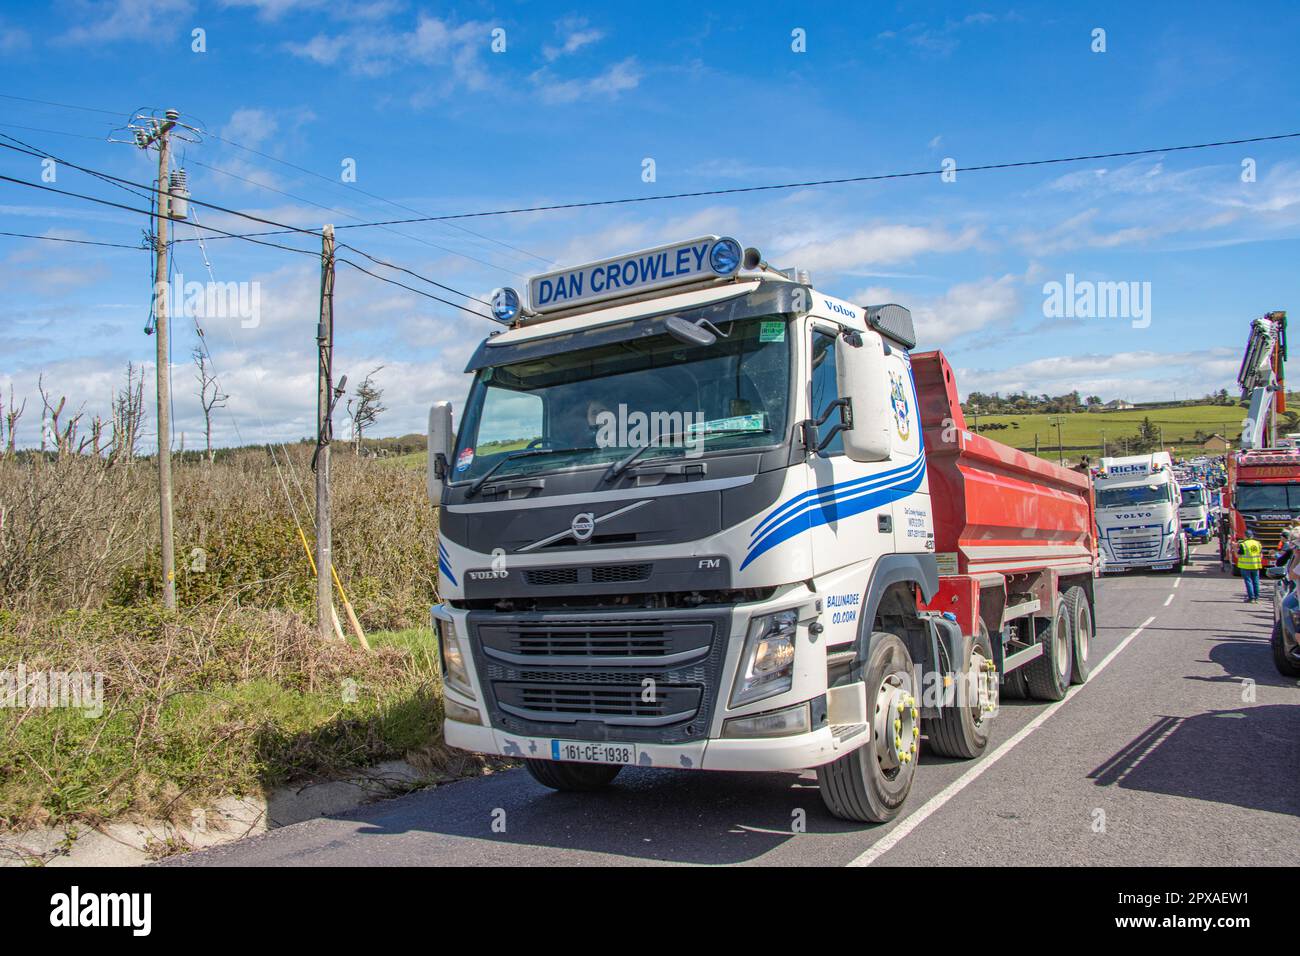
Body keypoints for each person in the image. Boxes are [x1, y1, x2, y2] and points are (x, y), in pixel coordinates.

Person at [1237, 534, 1263, 603]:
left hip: (1246, 566)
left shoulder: (1243, 544)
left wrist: (1234, 548)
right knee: (1256, 581)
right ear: (1252, 536)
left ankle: (1251, 598)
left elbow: (1238, 556)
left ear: (1245, 536)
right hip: (1255, 565)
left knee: (1248, 581)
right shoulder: (1258, 543)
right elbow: (1261, 555)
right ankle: (1257, 598)